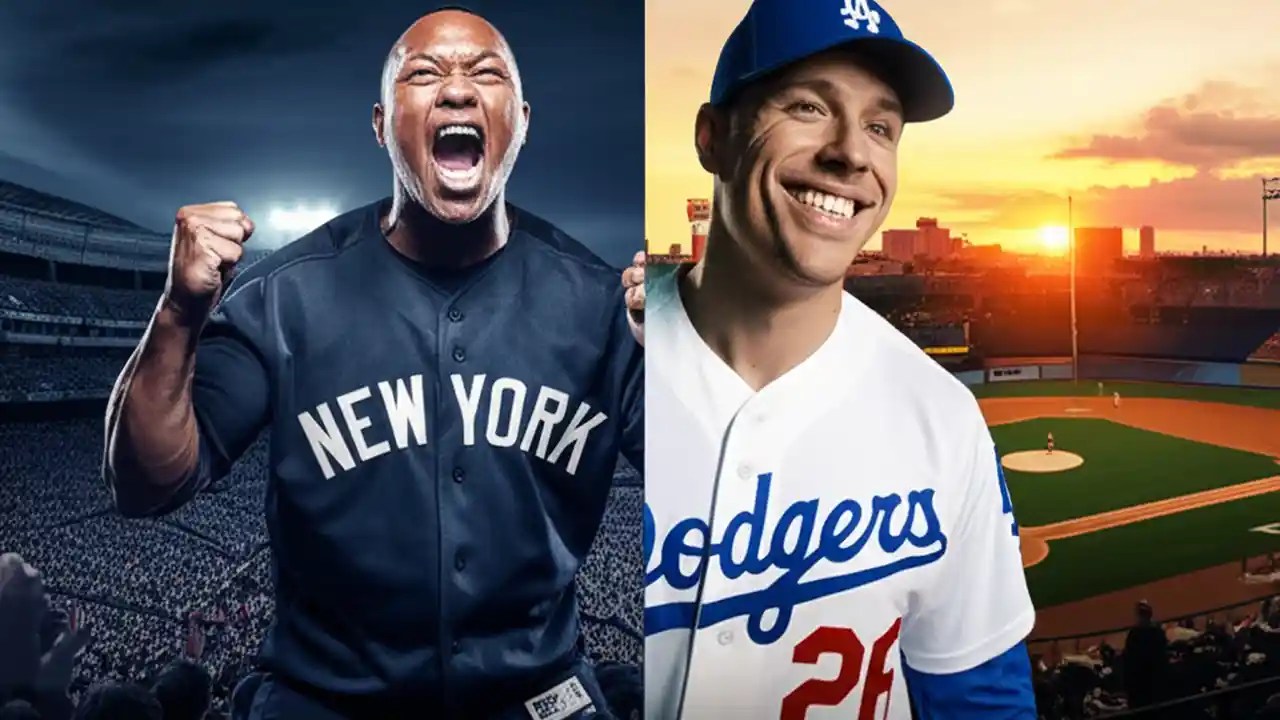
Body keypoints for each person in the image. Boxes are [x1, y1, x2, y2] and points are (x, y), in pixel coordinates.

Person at [102, 7, 643, 720]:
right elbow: (146, 484)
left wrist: (700, 358)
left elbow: (719, 493)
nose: (456, 90)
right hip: (325, 696)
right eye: (424, 74)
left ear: (522, 123)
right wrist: (176, 315)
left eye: (486, 73)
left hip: (538, 692)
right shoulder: (284, 294)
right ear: (383, 124)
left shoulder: (606, 304)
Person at [643, 0, 1035, 717]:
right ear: (714, 138)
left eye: (881, 126)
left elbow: (978, 691)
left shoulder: (941, 415)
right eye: (808, 107)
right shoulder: (584, 364)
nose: (852, 152)